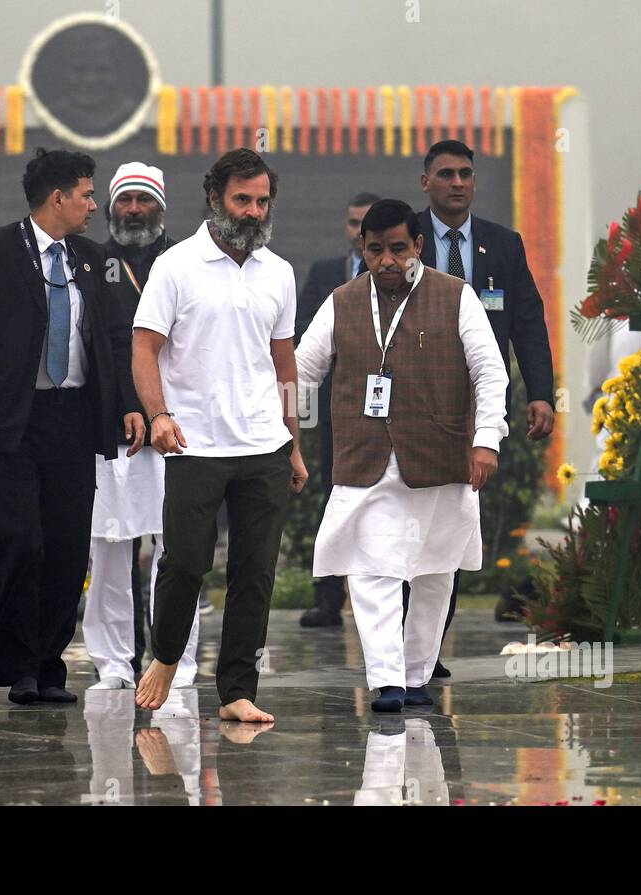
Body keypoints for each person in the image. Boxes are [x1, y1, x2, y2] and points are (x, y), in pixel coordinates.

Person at [0, 149, 145, 705]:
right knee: (21, 540)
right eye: (87, 194)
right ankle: (17, 663)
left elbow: (115, 338)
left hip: (73, 421)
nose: (94, 204)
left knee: (69, 548)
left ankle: (50, 662)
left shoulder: (92, 258)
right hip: (11, 422)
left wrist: (126, 402)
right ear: (58, 198)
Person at [295, 199, 508, 712]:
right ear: (362, 249)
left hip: (440, 459)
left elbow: (490, 373)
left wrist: (486, 440)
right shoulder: (342, 301)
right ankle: (386, 680)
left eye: (397, 249)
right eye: (374, 251)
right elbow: (301, 371)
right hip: (364, 461)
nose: (386, 261)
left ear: (417, 245)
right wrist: (287, 439)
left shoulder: (456, 296)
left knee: (436, 571)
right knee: (372, 569)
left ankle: (415, 677)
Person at [132, 148, 306, 723]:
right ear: (214, 199)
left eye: (262, 201)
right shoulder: (175, 266)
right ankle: (164, 655)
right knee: (183, 561)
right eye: (243, 200)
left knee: (255, 573)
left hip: (265, 447)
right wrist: (159, 415)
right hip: (194, 445)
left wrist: (294, 443)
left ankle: (237, 691)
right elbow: (144, 348)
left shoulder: (277, 272)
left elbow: (285, 366)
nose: (254, 212)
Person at [409, 139, 555, 677]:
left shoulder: (503, 245)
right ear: (425, 182)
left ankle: (427, 651)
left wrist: (540, 391)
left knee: (456, 529)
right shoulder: (407, 242)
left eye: (466, 173)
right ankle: (409, 649)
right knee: (410, 528)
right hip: (415, 409)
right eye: (445, 173)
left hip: (481, 412)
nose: (457, 182)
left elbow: (529, 324)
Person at [84, 162, 201, 689]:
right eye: (126, 200)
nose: (134, 210)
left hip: (176, 425)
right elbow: (95, 349)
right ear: (111, 207)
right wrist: (121, 409)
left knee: (177, 549)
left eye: (144, 201)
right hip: (113, 430)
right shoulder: (89, 262)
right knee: (110, 546)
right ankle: (112, 661)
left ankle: (176, 660)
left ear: (162, 207)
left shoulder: (185, 262)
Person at [295, 191, 380, 628]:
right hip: (337, 408)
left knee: (389, 499)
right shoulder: (326, 273)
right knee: (337, 497)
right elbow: (302, 335)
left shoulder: (405, 274)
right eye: (351, 223)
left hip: (392, 412)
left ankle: (387, 597)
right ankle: (327, 597)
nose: (357, 232)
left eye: (365, 223)